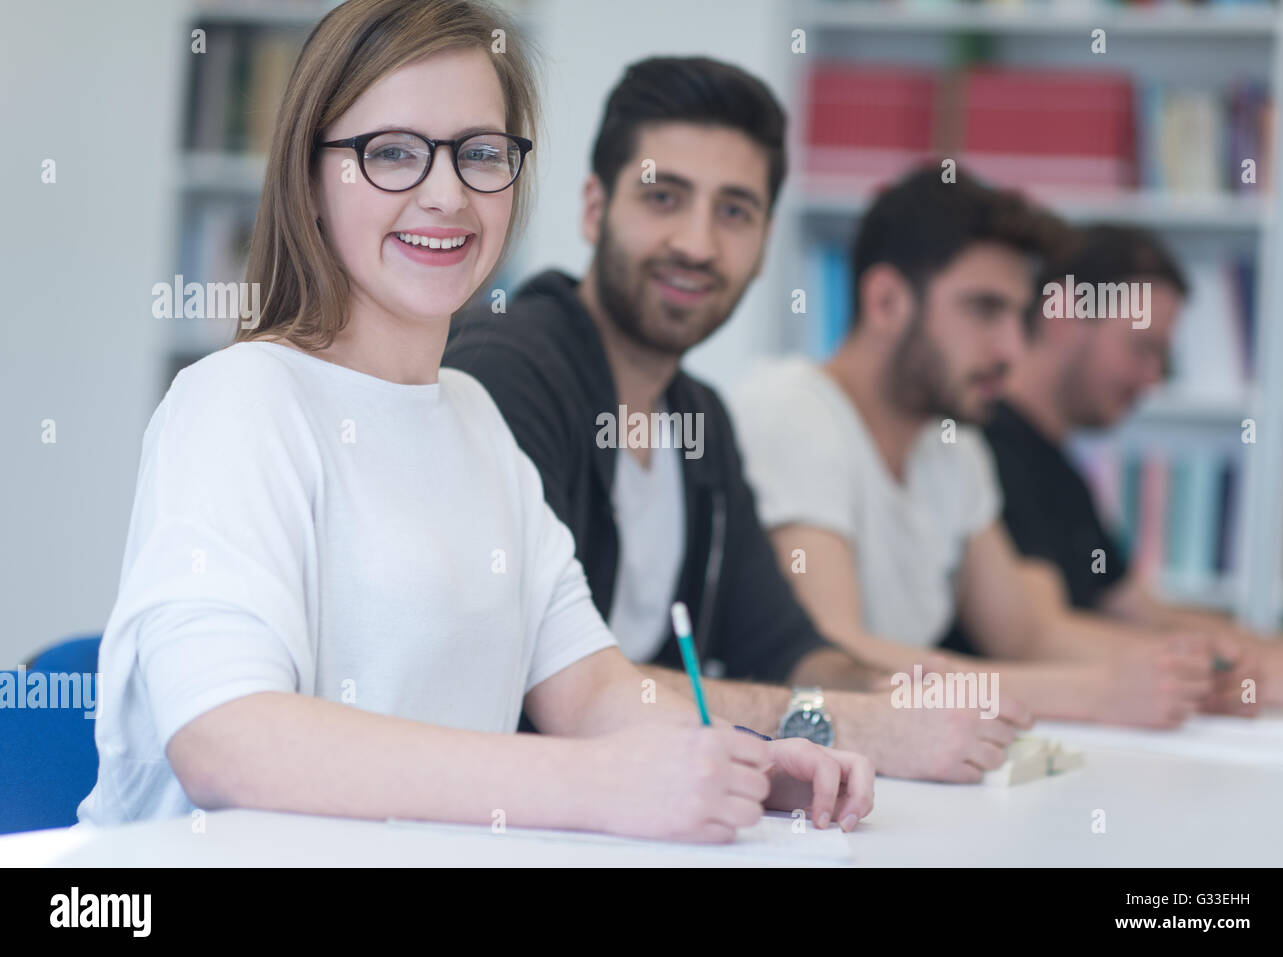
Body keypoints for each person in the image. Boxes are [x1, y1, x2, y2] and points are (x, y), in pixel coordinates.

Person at [77, 0, 872, 841]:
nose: (447, 194)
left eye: (482, 154)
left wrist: (738, 759)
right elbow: (227, 740)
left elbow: (591, 687)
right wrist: (593, 783)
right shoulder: (237, 401)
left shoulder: (477, 417)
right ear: (311, 181)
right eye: (391, 154)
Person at [445, 57, 1032, 784]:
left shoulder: (700, 419)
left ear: (763, 243)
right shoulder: (510, 370)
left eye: (733, 211)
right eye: (664, 197)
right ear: (595, 208)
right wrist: (841, 721)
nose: (697, 243)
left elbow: (787, 648)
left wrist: (896, 693)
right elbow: (536, 681)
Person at [732, 166, 1216, 728]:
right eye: (985, 310)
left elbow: (1023, 633)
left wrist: (1173, 669)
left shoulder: (953, 446)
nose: (1011, 348)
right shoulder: (791, 410)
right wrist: (1094, 693)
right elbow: (827, 650)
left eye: (1018, 316)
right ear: (886, 301)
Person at [961, 223, 1283, 710]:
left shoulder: (1059, 469)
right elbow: (1039, 635)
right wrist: (1229, 671)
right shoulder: (988, 448)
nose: (1153, 378)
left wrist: (1272, 657)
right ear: (1063, 316)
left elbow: (1138, 610)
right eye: (1142, 348)